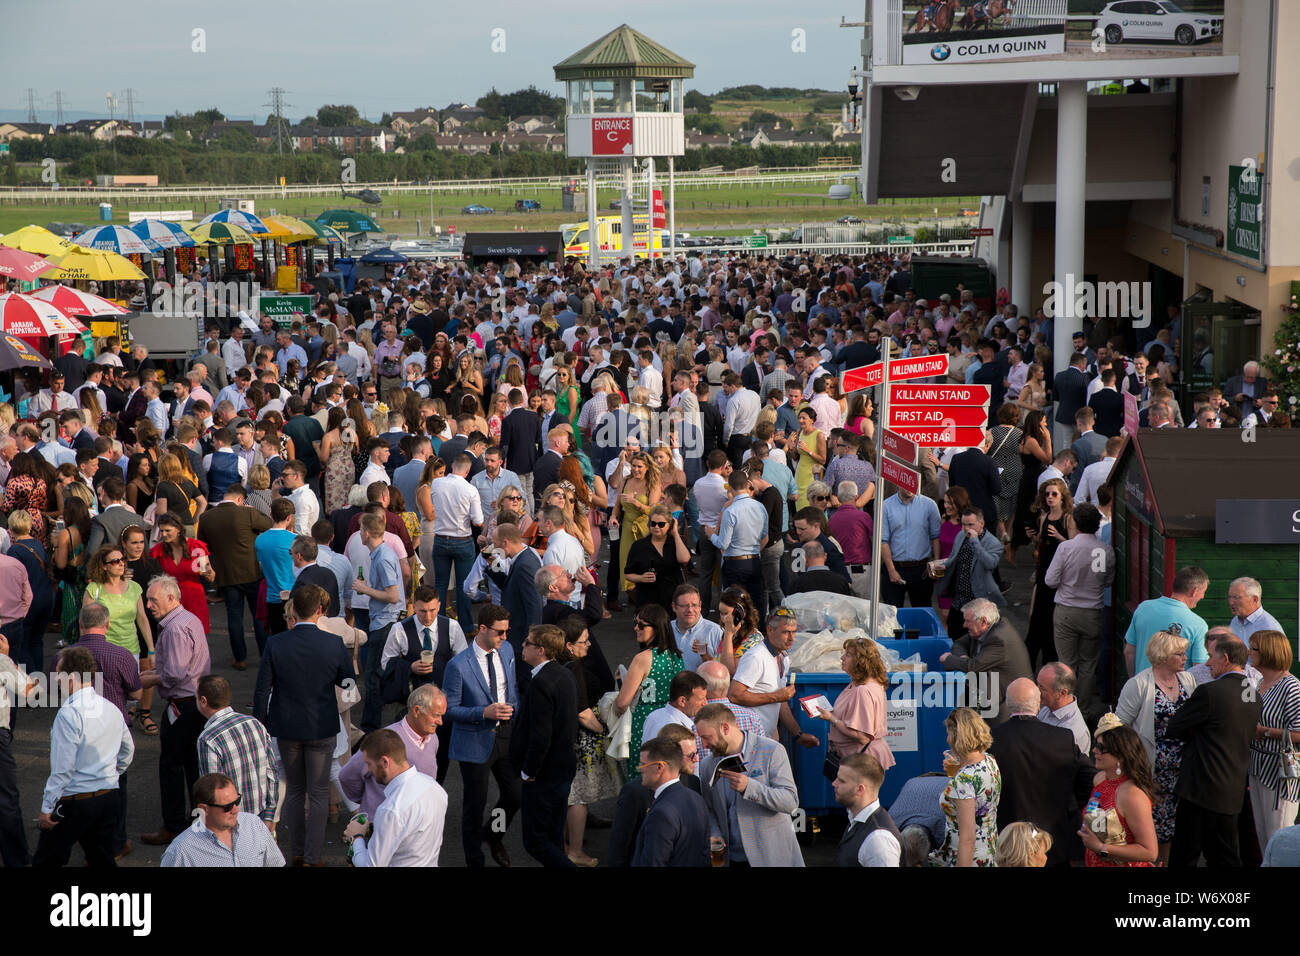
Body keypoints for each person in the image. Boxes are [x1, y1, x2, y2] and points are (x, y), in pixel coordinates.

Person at [253, 584, 356, 867]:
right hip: (322, 725)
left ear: (294, 610)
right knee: (319, 792)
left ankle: (297, 853)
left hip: (286, 727)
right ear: (320, 611)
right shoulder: (333, 644)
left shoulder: (276, 643)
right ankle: (313, 856)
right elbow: (347, 681)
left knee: (296, 790)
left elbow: (262, 690)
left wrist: (261, 725)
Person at [32, 647, 135, 868]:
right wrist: (111, 773)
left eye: (58, 674)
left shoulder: (69, 714)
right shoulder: (112, 708)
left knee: (47, 860)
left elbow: (63, 769)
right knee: (101, 859)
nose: (56, 680)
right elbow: (127, 751)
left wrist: (47, 807)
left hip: (75, 802)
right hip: (108, 797)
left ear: (71, 678)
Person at [1166, 636, 1261, 868]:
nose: (1208, 664)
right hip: (1231, 791)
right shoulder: (1253, 696)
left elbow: (1175, 727)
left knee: (1184, 856)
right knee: (1225, 857)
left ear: (1225, 658)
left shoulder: (1210, 692)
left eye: (1211, 657)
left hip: (1200, 789)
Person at [987, 678, 1095, 867]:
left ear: (1008, 705)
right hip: (1053, 842)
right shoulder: (1063, 739)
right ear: (1038, 704)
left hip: (1009, 843)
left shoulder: (991, 740)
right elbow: (1088, 780)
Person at [443, 603, 520, 868]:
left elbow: (512, 688)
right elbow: (449, 709)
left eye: (507, 632)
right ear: (482, 629)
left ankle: (493, 834)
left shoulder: (506, 649)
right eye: (500, 632)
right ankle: (474, 860)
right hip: (474, 741)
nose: (505, 637)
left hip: (506, 737)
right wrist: (483, 712)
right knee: (474, 806)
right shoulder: (458, 665)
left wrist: (514, 707)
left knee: (515, 795)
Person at [138, 575, 210, 847]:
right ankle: (196, 822)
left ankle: (174, 825)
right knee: (193, 765)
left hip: (183, 704)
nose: (148, 605)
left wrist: (150, 678)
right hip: (195, 703)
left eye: (153, 600)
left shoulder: (175, 628)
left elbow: (176, 674)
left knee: (171, 765)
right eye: (147, 599)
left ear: (171, 598)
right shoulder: (187, 619)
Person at [1114, 629, 1197, 864]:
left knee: (1176, 828)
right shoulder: (1138, 685)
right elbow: (1119, 730)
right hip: (1151, 771)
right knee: (1152, 827)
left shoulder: (1188, 680)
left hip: (1183, 772)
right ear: (1163, 655)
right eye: (1179, 654)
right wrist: (1136, 772)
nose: (1185, 658)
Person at [695, 702, 804, 867]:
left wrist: (750, 788)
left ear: (725, 728)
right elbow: (709, 809)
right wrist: (715, 833)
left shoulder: (771, 751)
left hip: (771, 859)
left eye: (706, 737)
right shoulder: (707, 765)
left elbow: (790, 802)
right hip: (731, 859)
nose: (703, 745)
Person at [511, 624, 580, 868]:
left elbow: (541, 735)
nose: (522, 646)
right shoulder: (564, 674)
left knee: (535, 841)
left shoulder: (541, 682)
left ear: (540, 650)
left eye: (527, 643)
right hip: (563, 769)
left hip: (544, 775)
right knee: (553, 835)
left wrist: (530, 771)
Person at [1043, 502, 1113, 720]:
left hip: (1066, 610)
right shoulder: (1104, 550)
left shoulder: (1066, 548)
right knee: (1089, 664)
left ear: (1076, 522)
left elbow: (1050, 580)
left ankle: (1065, 706)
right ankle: (1081, 709)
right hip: (1092, 612)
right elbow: (1107, 580)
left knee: (1066, 662)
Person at [559, 617, 619, 866]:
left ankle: (562, 844)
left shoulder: (558, 664)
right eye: (584, 641)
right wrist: (605, 731)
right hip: (580, 742)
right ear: (569, 645)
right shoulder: (574, 668)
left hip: (563, 740)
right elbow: (582, 712)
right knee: (578, 797)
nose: (589, 645)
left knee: (567, 796)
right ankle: (575, 850)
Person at [343, 727, 449, 867]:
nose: (368, 770)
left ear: (385, 762)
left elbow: (370, 865)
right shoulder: (435, 788)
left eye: (369, 764)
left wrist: (356, 837)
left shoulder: (391, 810)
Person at [198, 486, 272, 667]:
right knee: (258, 615)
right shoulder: (247, 514)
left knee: (234, 616)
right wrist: (252, 510)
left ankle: (240, 658)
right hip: (252, 572)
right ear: (241, 499)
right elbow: (269, 524)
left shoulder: (206, 518)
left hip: (226, 575)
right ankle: (264, 655)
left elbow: (202, 547)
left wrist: (206, 571)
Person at [83, 544, 154, 732]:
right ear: (104, 566)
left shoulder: (135, 587)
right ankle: (109, 732)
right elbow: (85, 623)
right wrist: (83, 651)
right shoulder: (94, 589)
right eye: (115, 561)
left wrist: (151, 649)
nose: (121, 564)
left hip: (131, 649)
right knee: (104, 697)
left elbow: (142, 619)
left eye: (122, 560)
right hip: (102, 651)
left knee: (132, 695)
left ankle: (120, 726)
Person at [195, 675, 280, 827]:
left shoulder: (208, 739)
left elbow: (212, 790)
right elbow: (272, 772)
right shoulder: (255, 724)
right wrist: (269, 815)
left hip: (231, 822)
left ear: (203, 701)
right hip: (259, 817)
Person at [730, 610, 819, 748]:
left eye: (794, 632)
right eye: (785, 632)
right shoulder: (756, 656)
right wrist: (776, 697)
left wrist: (798, 734)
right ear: (770, 630)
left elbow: (781, 701)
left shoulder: (783, 657)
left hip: (764, 739)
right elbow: (734, 696)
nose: (791, 638)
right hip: (749, 741)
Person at [617, 604, 685, 780]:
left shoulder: (643, 659)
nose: (636, 628)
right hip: (670, 721)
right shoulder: (676, 656)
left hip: (644, 723)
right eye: (636, 623)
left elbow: (622, 702)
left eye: (641, 625)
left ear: (656, 628)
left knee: (643, 774)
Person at [1079, 717, 1159, 866]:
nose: (1094, 750)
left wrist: (1100, 848)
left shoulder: (1132, 796)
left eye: (1101, 747)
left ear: (1120, 756)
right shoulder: (1099, 779)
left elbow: (1150, 852)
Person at [161, 772, 286, 867]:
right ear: (204, 809)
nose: (235, 809)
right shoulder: (181, 851)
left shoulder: (254, 824)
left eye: (237, 801)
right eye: (227, 807)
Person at [1247, 630, 1300, 853]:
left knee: (1278, 835)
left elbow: (1299, 731)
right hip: (1257, 765)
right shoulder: (1259, 683)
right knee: (1262, 834)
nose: (1249, 652)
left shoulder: (1291, 687)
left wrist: (1265, 731)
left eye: (1253, 648)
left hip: (1280, 771)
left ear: (1268, 652)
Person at [941, 599, 1031, 723]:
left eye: (968, 621)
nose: (964, 625)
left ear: (983, 621)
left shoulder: (999, 639)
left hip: (1003, 705)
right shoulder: (982, 630)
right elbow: (958, 644)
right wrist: (964, 659)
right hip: (987, 693)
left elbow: (972, 666)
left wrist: (948, 659)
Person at [355, 512, 406, 732]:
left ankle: (370, 728)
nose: (359, 533)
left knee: (373, 676)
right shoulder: (382, 554)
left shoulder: (382, 557)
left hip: (385, 621)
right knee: (378, 673)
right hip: (385, 619)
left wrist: (365, 589)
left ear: (366, 533)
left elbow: (393, 595)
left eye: (360, 529)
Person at [931, 707, 1001, 867]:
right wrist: (959, 767)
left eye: (949, 733)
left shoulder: (963, 781)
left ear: (957, 736)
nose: (947, 739)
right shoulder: (989, 761)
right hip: (989, 852)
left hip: (967, 859)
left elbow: (967, 839)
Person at [814, 638, 895, 772]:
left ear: (860, 662)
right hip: (859, 759)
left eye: (848, 655)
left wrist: (831, 718)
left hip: (861, 762)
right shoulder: (863, 683)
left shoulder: (863, 690)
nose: (842, 658)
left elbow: (862, 737)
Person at [630, 736, 711, 867]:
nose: (640, 769)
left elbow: (653, 862)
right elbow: (704, 852)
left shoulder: (661, 814)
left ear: (659, 767)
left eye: (643, 764)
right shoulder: (696, 798)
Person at [429, 453, 485, 628]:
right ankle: (466, 626)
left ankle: (437, 624)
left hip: (440, 538)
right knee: (463, 585)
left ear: (452, 465)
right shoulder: (470, 490)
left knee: (440, 584)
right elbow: (478, 521)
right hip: (462, 540)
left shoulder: (437, 483)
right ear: (467, 471)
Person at [1123, 565, 1210, 675]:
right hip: (1174, 690)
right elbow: (1199, 668)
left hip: (1142, 687)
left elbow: (1129, 652)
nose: (1202, 597)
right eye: (1203, 592)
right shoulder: (1198, 625)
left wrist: (1134, 680)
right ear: (1194, 591)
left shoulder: (1143, 608)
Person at [935, 506, 1005, 638]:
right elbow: (953, 559)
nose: (966, 528)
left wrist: (975, 542)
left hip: (978, 604)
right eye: (963, 524)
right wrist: (940, 566)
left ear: (981, 523)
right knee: (954, 638)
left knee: (974, 642)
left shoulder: (993, 543)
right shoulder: (961, 536)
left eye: (971, 524)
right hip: (958, 601)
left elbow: (990, 564)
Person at [831, 752, 904, 867]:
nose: (834, 784)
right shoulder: (856, 821)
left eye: (842, 781)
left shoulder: (878, 840)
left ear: (860, 789)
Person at [878, 485, 942, 609]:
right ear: (898, 483)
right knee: (892, 615)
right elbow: (883, 541)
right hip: (895, 566)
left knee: (922, 613)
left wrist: (936, 564)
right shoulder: (886, 506)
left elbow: (936, 536)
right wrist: (891, 570)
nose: (910, 488)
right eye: (907, 484)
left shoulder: (929, 505)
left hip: (921, 569)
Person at [150, 513, 216, 632]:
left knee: (196, 638)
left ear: (179, 529)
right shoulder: (158, 551)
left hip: (194, 598)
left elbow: (210, 577)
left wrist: (207, 572)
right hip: (170, 600)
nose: (164, 534)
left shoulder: (195, 547)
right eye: (161, 530)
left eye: (167, 530)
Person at [623, 503, 689, 611]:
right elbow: (628, 574)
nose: (656, 527)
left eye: (661, 524)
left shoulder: (675, 543)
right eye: (653, 523)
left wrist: (676, 533)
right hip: (647, 600)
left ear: (670, 525)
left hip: (672, 600)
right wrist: (641, 578)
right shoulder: (639, 546)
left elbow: (685, 559)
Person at [1036, 662, 1092, 756]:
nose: (1036, 691)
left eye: (1042, 688)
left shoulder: (1075, 732)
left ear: (1062, 693)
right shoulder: (1047, 707)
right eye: (1037, 684)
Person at [641, 669, 710, 744]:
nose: (705, 703)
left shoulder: (653, 716)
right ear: (682, 701)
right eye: (701, 699)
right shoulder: (675, 732)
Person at [1228, 576, 1284, 642]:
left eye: (1236, 597)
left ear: (1255, 599)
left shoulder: (1269, 628)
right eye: (1230, 597)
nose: (1231, 602)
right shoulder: (1235, 621)